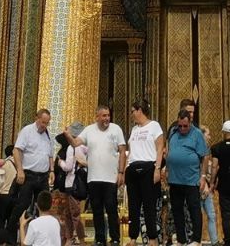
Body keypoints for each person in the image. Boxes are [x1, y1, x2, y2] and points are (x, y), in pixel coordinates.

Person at [77, 108, 126, 246]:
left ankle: (115, 238)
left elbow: (122, 151)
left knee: (111, 208)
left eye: (108, 115)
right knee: (97, 209)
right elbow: (76, 143)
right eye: (104, 116)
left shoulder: (116, 129)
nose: (107, 118)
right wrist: (67, 135)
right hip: (93, 178)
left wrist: (121, 172)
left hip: (111, 177)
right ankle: (100, 238)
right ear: (97, 117)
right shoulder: (89, 130)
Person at [162, 109, 209, 246]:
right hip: (175, 180)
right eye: (180, 126)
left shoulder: (197, 134)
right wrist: (168, 169)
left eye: (185, 126)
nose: (182, 129)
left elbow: (204, 156)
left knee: (194, 210)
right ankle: (181, 240)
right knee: (176, 210)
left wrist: (203, 176)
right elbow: (169, 152)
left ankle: (196, 240)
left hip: (191, 180)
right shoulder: (173, 132)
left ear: (190, 123)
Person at [125, 99, 164, 246]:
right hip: (133, 169)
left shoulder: (154, 126)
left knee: (149, 206)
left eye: (133, 111)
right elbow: (131, 152)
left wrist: (157, 169)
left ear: (139, 110)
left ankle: (152, 238)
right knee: (133, 207)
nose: (132, 114)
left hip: (149, 168)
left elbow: (160, 148)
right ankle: (133, 238)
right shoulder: (134, 130)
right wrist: (124, 170)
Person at [13, 109, 56, 221]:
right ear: (37, 119)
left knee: (44, 205)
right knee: (23, 203)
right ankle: (12, 230)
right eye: (43, 122)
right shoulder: (27, 131)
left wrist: (52, 171)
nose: (45, 125)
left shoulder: (48, 135)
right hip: (29, 174)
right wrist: (20, 170)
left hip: (43, 176)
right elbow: (17, 150)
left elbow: (50, 155)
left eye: (47, 123)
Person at [56, 125, 86, 245]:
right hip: (81, 184)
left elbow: (68, 167)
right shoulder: (85, 147)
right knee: (73, 212)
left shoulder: (71, 148)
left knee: (72, 214)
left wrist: (60, 162)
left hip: (71, 184)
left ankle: (73, 238)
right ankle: (75, 238)